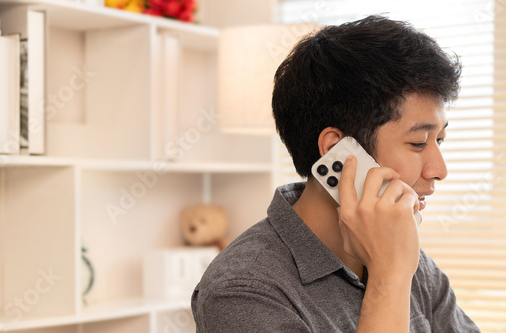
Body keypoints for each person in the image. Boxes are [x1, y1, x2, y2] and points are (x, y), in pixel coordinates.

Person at [191, 15, 479, 333]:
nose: (440, 170)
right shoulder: (242, 289)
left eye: (439, 140)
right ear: (338, 153)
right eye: (418, 142)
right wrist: (389, 280)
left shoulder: (410, 261)